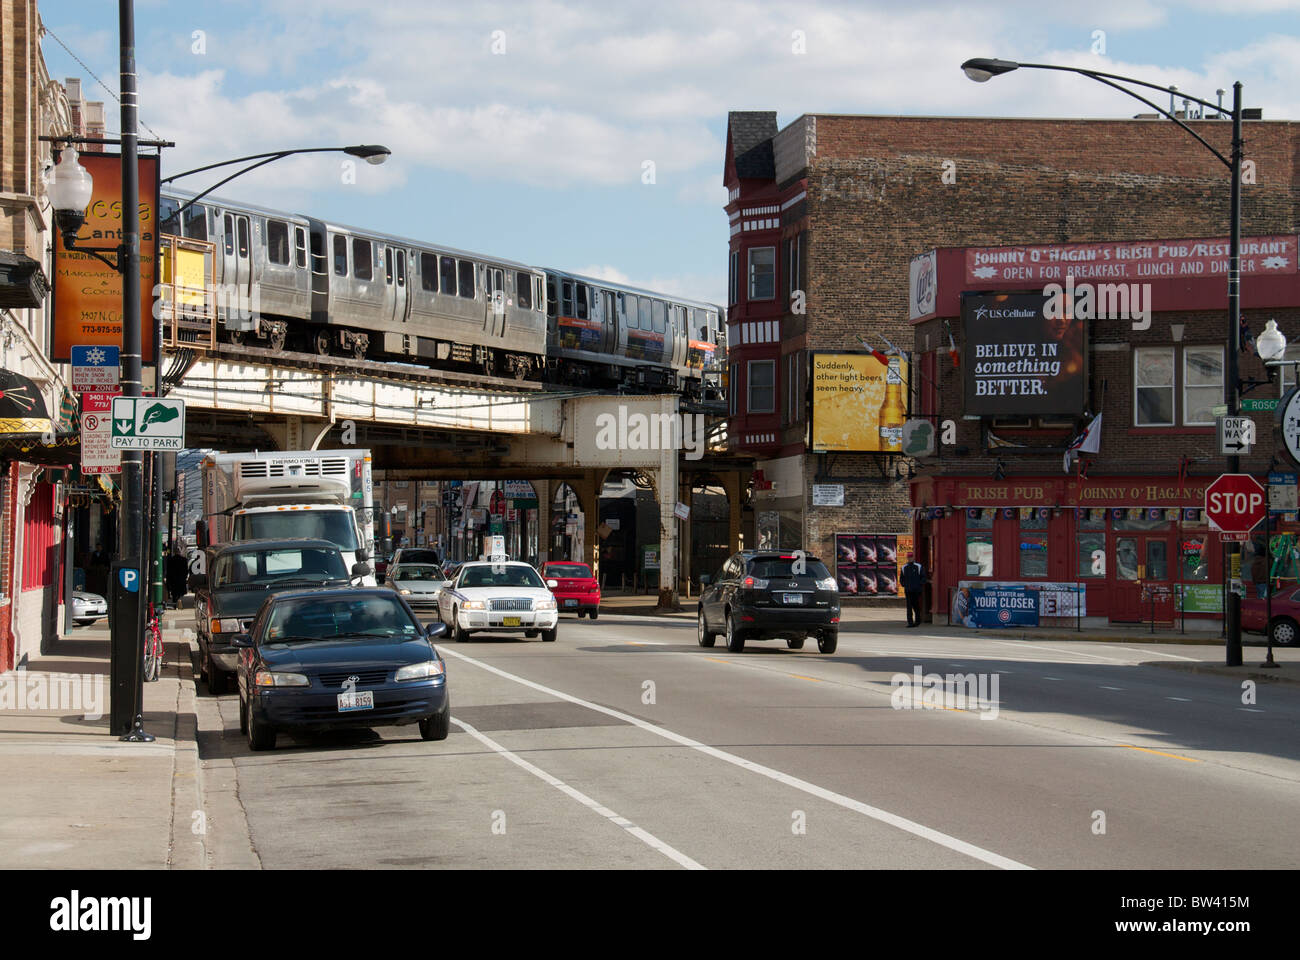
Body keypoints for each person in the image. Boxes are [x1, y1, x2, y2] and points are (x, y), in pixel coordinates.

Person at [899, 552, 926, 627]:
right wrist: (905, 585)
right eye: (909, 557)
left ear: (914, 558)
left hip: (916, 590)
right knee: (909, 606)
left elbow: (923, 577)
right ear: (907, 558)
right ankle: (910, 622)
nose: (910, 558)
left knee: (916, 605)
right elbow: (901, 579)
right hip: (908, 590)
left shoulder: (919, 566)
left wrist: (919, 585)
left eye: (911, 557)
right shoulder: (904, 567)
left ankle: (917, 621)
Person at [165, 543, 188, 608]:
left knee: (174, 592)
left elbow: (168, 570)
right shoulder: (184, 560)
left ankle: (175, 603)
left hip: (173, 579)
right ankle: (178, 602)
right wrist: (184, 577)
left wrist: (168, 578)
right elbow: (186, 570)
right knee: (179, 592)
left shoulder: (171, 560)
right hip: (181, 579)